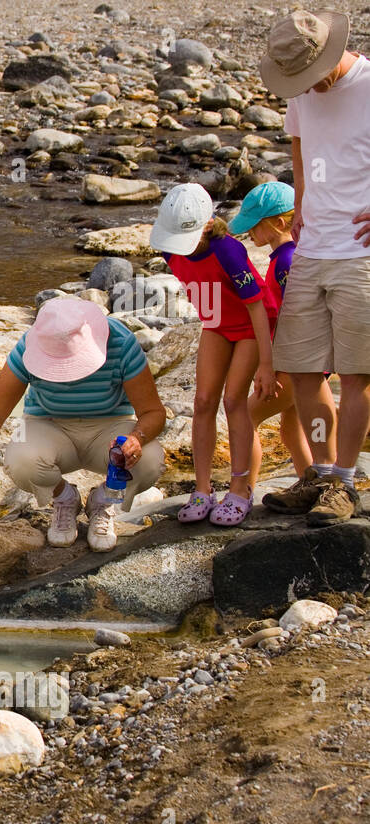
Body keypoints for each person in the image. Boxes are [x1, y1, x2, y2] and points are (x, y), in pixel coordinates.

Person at [0, 297, 166, 553]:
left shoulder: (120, 342)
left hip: (109, 427)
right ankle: (64, 499)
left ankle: (103, 501)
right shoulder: (28, 347)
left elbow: (153, 412)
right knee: (20, 459)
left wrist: (136, 438)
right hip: (48, 426)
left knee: (150, 460)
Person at [258, 9, 370, 525]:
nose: (306, 88)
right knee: (302, 369)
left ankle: (345, 482)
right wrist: (301, 204)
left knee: (356, 374)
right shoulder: (303, 93)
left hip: (361, 255)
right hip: (312, 250)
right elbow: (302, 151)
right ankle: (321, 472)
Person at [149, 183, 280, 526]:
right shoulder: (169, 250)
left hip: (252, 327)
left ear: (207, 225)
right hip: (217, 324)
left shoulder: (228, 251)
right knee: (204, 400)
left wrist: (266, 365)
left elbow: (256, 307)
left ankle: (240, 489)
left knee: (234, 400)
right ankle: (203, 488)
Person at [229, 181, 340, 489]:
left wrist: (273, 366)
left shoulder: (287, 262)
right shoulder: (289, 257)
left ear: (278, 223)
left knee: (246, 419)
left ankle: (243, 491)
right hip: (305, 361)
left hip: (297, 363)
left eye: (254, 227)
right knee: (292, 430)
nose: (249, 233)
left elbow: (303, 317)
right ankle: (314, 482)